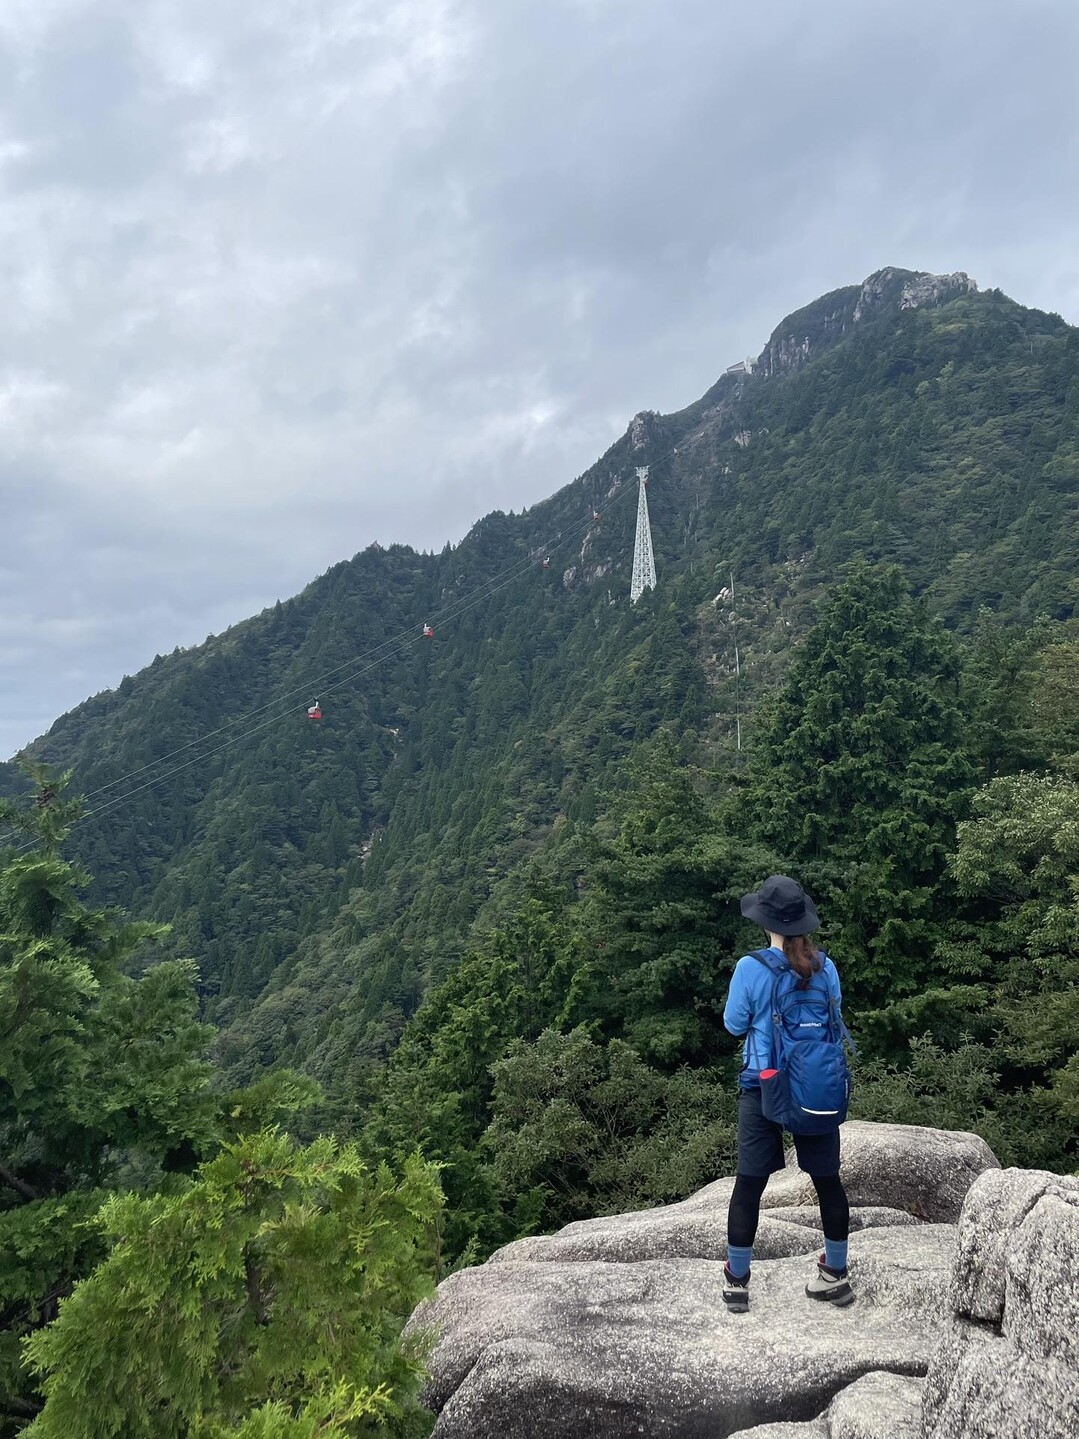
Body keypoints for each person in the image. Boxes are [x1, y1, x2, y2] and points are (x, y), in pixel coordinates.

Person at [721, 874, 853, 1313]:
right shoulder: (826, 966)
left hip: (762, 1084)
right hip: (814, 1085)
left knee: (750, 1184)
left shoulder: (751, 968)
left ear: (766, 921)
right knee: (828, 1181)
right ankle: (835, 1274)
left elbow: (734, 1024)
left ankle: (737, 1282)